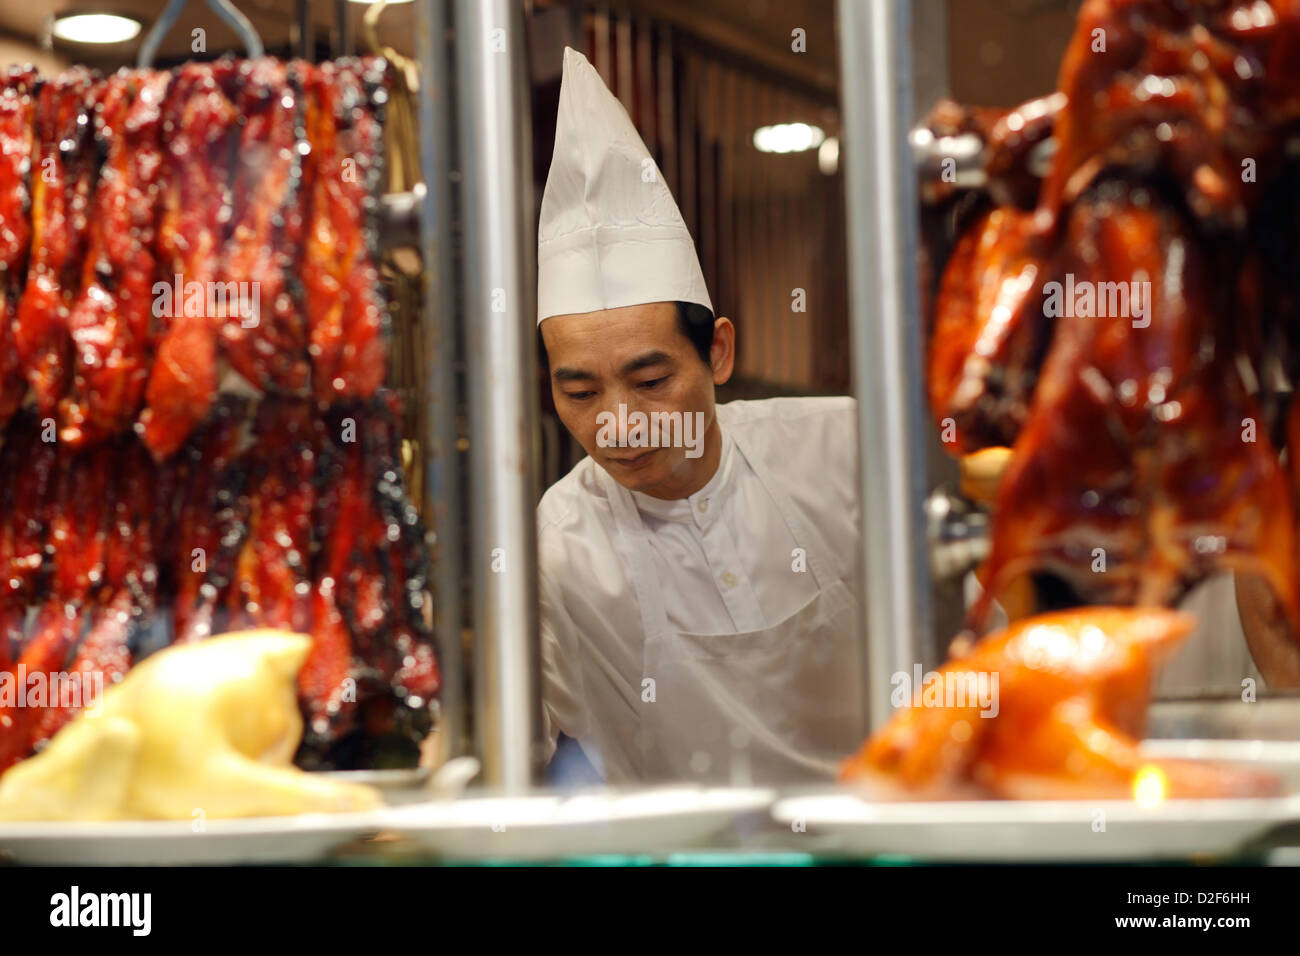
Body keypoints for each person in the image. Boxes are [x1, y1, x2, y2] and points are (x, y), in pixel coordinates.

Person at [535, 48, 865, 785]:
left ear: (717, 352)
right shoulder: (553, 550)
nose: (618, 423)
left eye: (649, 378)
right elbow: (505, 765)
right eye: (580, 392)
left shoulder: (846, 448)